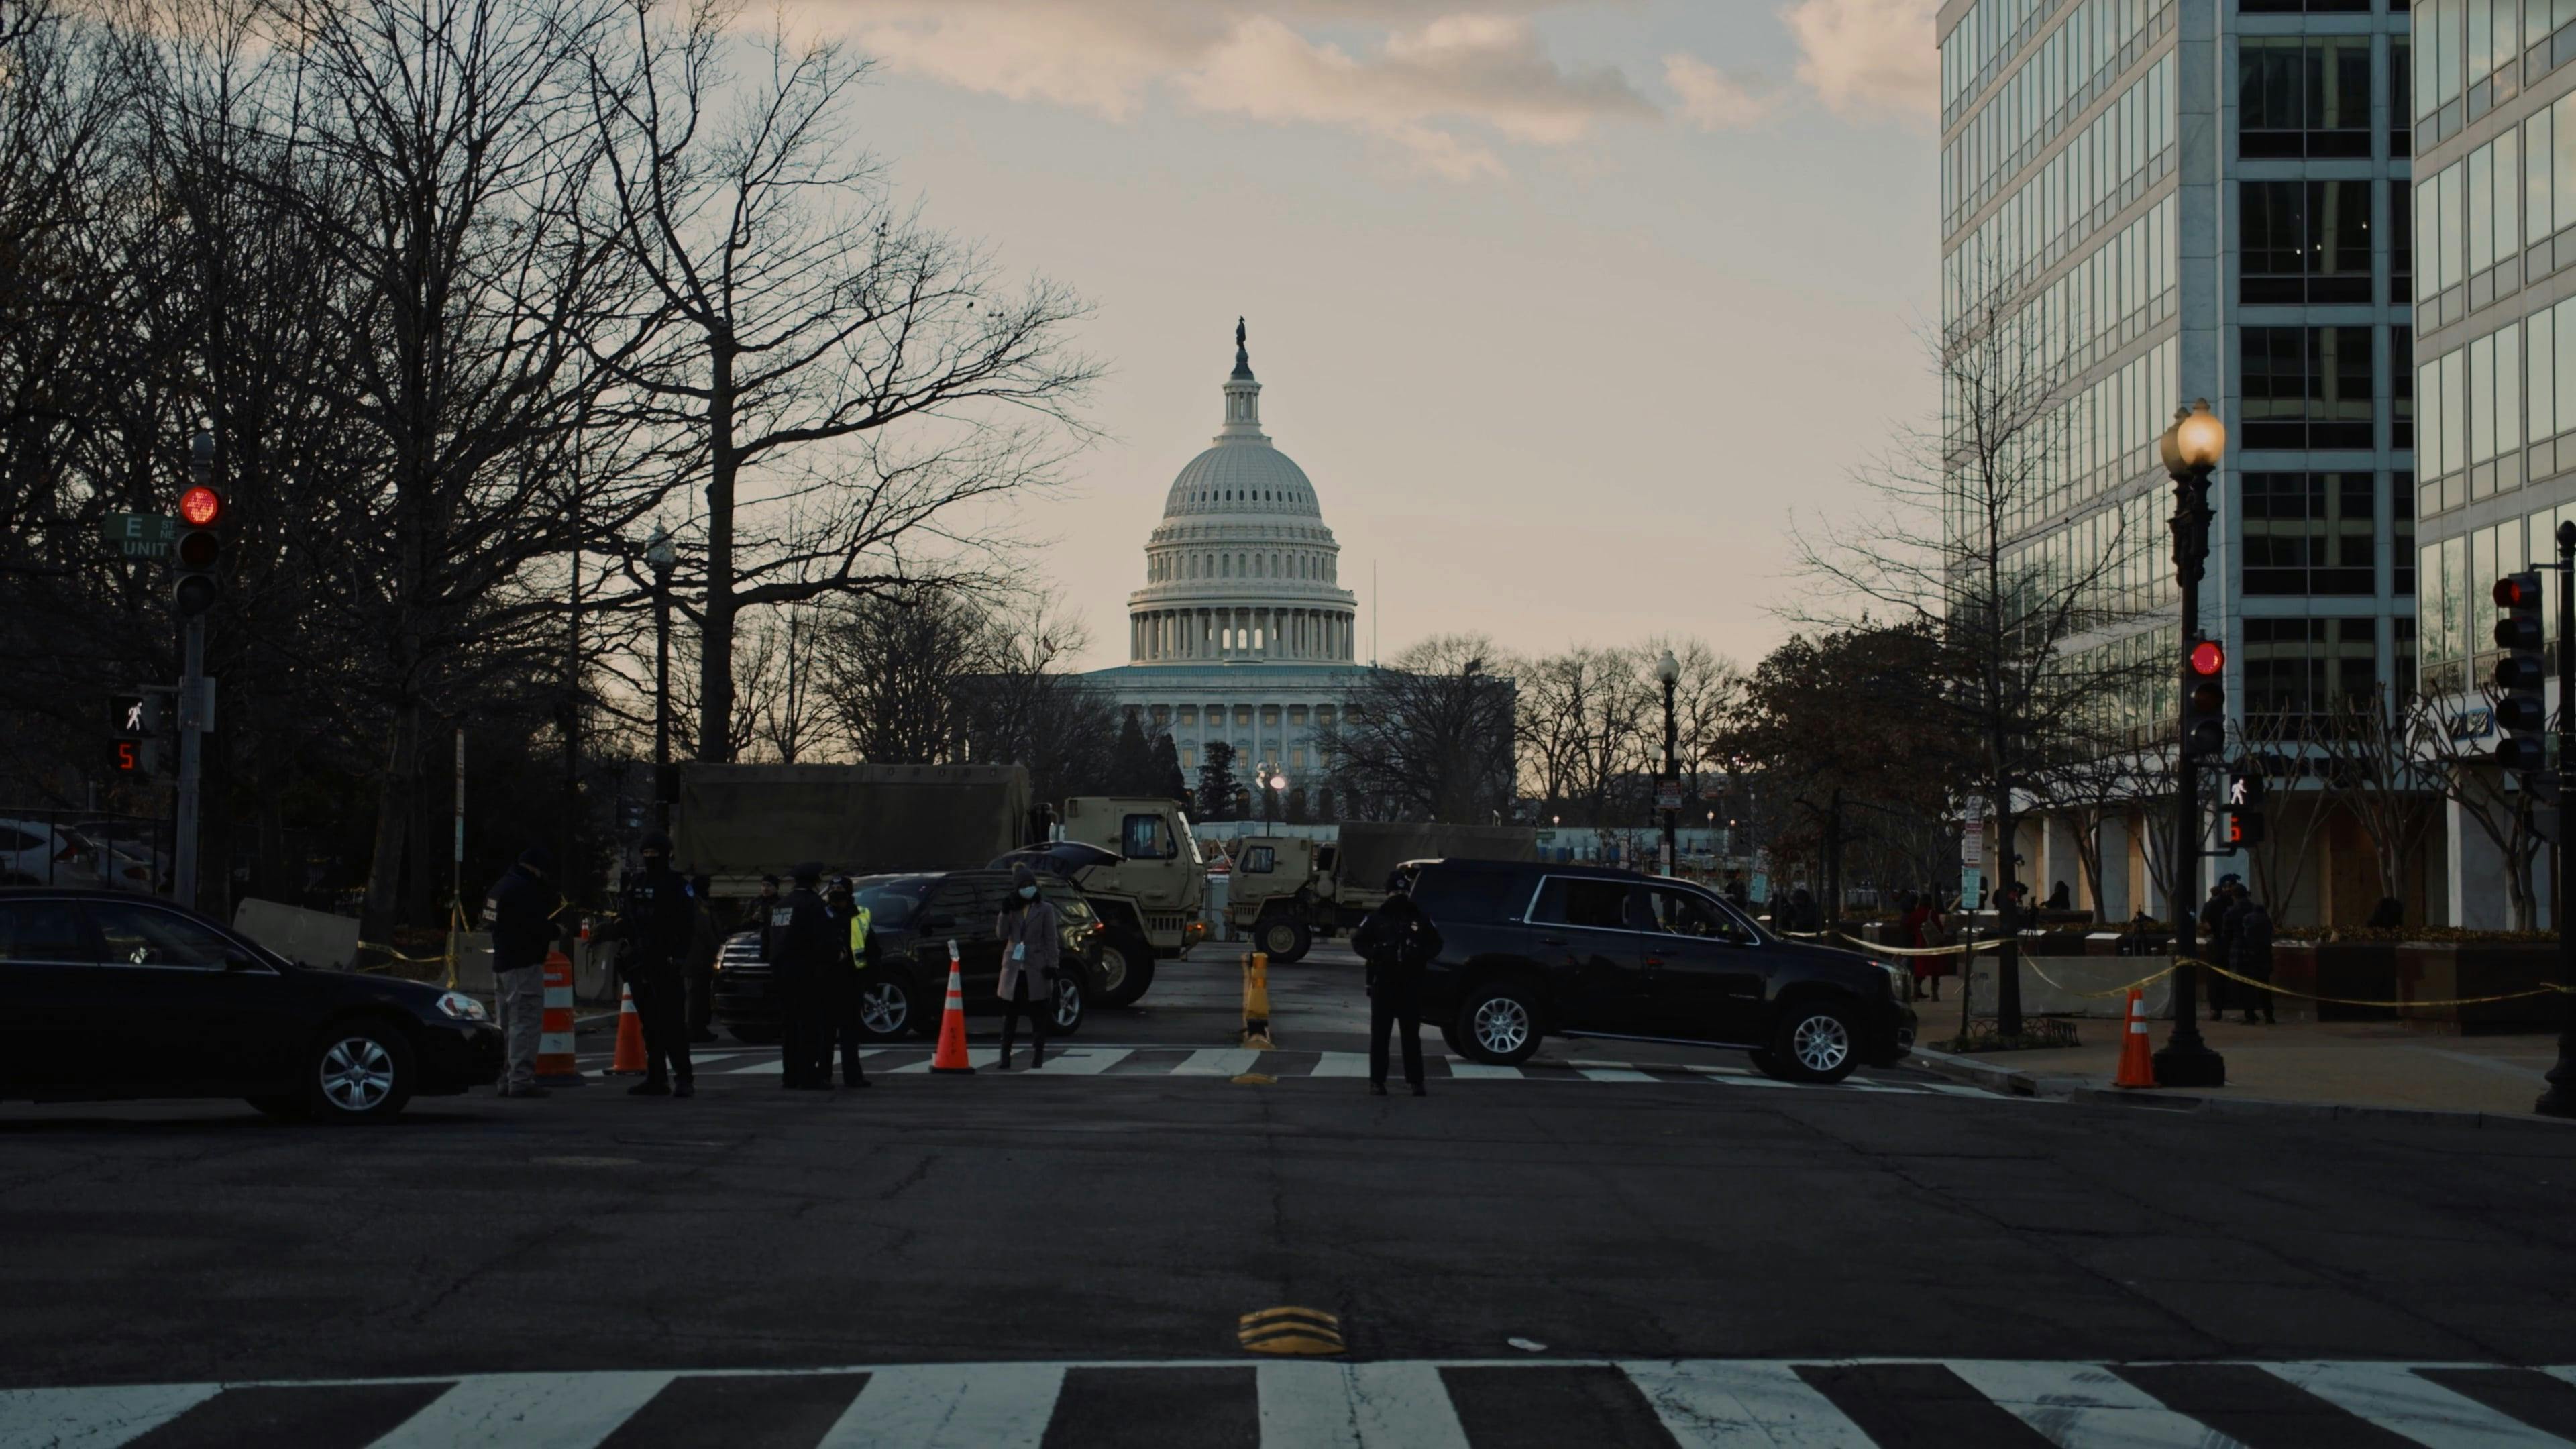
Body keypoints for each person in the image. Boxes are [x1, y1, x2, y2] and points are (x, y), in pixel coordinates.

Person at [601, 833, 697, 1097]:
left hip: (664, 961)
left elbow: (687, 926)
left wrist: (678, 956)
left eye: (656, 854)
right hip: (640, 961)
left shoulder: (677, 885)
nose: (651, 859)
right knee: (651, 1023)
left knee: (673, 1023)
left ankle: (683, 1077)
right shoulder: (637, 883)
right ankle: (657, 1078)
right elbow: (627, 919)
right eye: (647, 854)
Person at [1351, 868, 1442, 1096]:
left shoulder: (1419, 919)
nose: (1399, 895)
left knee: (1411, 1036)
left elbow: (1436, 944)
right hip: (1383, 981)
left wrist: (1419, 953)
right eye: (1396, 891)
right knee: (1380, 1036)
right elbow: (1359, 942)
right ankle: (1377, 1082)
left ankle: (1416, 1081)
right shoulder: (1376, 919)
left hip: (1411, 982)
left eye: (1403, 891)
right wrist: (1377, 954)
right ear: (1388, 893)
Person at [482, 845, 558, 1099]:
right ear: (537, 868)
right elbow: (533, 927)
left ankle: (505, 1077)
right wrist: (554, 931)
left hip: (502, 963)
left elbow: (492, 922)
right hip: (524, 964)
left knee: (504, 1024)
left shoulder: (500, 887)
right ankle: (522, 1079)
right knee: (525, 1022)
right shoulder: (525, 891)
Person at [769, 863, 837, 1089]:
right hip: (808, 974)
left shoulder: (781, 905)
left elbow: (767, 941)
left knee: (789, 1027)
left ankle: (790, 1074)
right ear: (815, 881)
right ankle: (809, 1075)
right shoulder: (814, 904)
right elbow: (824, 940)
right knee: (810, 1026)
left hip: (782, 974)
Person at [993, 864, 1059, 1071]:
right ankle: (1005, 1055)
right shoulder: (1011, 907)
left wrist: (1052, 964)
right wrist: (1004, 913)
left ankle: (1038, 1054)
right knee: (1009, 1015)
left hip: (1036, 965)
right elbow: (1001, 935)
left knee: (1038, 1014)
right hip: (1014, 966)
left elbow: (1051, 939)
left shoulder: (1045, 909)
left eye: (1031, 884)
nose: (1028, 888)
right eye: (1024, 885)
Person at [819, 876, 871, 1089]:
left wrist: (868, 978)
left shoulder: (861, 915)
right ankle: (823, 1075)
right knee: (826, 1033)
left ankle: (853, 1076)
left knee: (850, 1033)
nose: (835, 891)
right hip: (827, 981)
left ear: (848, 892)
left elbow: (871, 947)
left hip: (851, 981)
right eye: (832, 888)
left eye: (840, 888)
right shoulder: (822, 915)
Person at [685, 874, 722, 1044]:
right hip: (699, 957)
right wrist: (718, 947)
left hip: (700, 956)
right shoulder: (698, 905)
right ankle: (695, 1028)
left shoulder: (700, 903)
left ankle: (697, 1027)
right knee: (698, 994)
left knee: (700, 994)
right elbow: (705, 930)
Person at [2231, 890, 2276, 1024]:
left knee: (2247, 988)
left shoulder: (2246, 918)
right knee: (2265, 987)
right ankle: (2269, 1015)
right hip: (2264, 958)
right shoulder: (2267, 921)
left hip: (2248, 958)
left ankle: (2250, 1015)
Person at [2200, 878, 2240, 1022]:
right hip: (2236, 945)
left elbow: (2205, 923)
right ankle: (2247, 1009)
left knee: (2216, 977)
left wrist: (2212, 934)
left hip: (2218, 945)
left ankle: (2217, 1009)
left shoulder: (2212, 904)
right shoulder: (2237, 904)